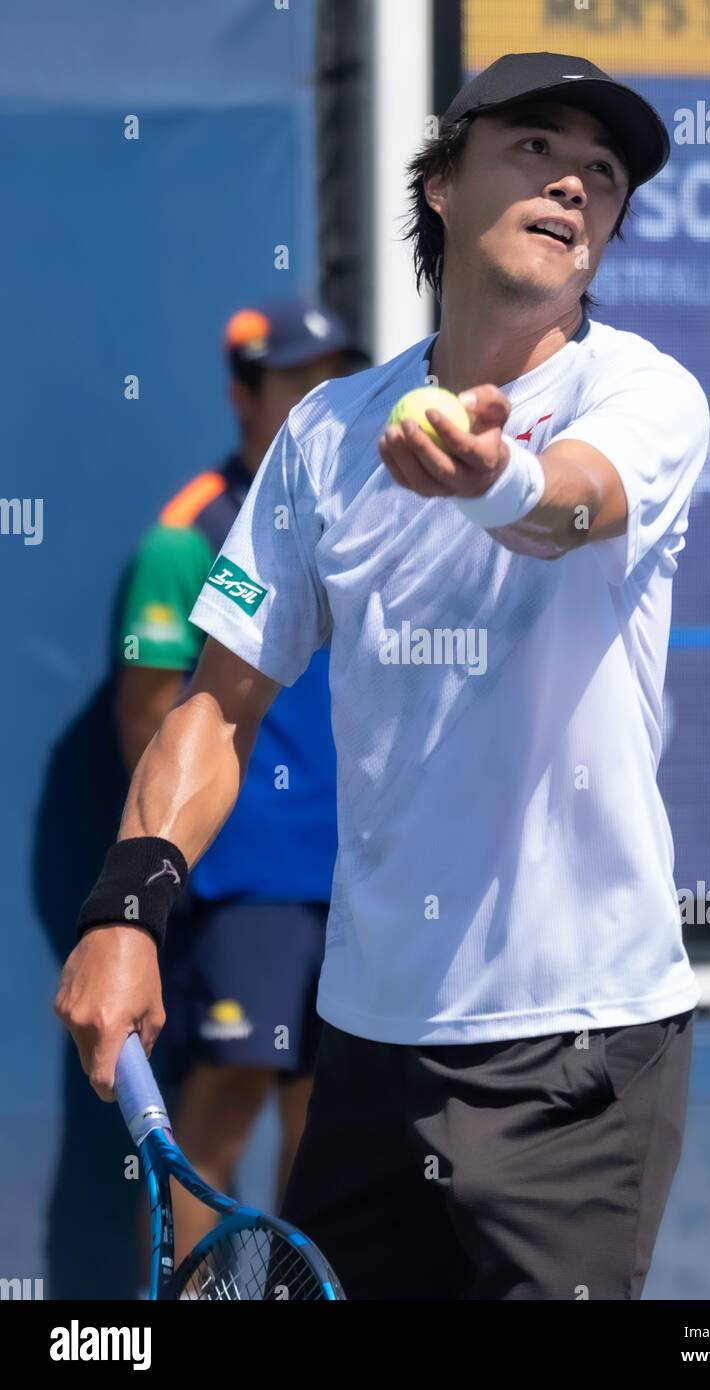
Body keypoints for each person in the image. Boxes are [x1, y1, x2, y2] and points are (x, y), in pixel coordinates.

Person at [57, 53, 710, 1300]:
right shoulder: (319, 438)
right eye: (534, 148)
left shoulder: (644, 394)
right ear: (439, 184)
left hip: (578, 1053)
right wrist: (123, 913)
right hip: (367, 1052)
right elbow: (217, 704)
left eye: (604, 174)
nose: (573, 184)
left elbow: (575, 502)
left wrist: (497, 479)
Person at [112, 300, 367, 1261]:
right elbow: (151, 723)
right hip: (243, 887)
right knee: (221, 1111)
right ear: (242, 396)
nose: (314, 402)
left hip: (354, 881)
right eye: (294, 382)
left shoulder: (361, 518)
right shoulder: (185, 536)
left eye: (328, 380)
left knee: (326, 1124)